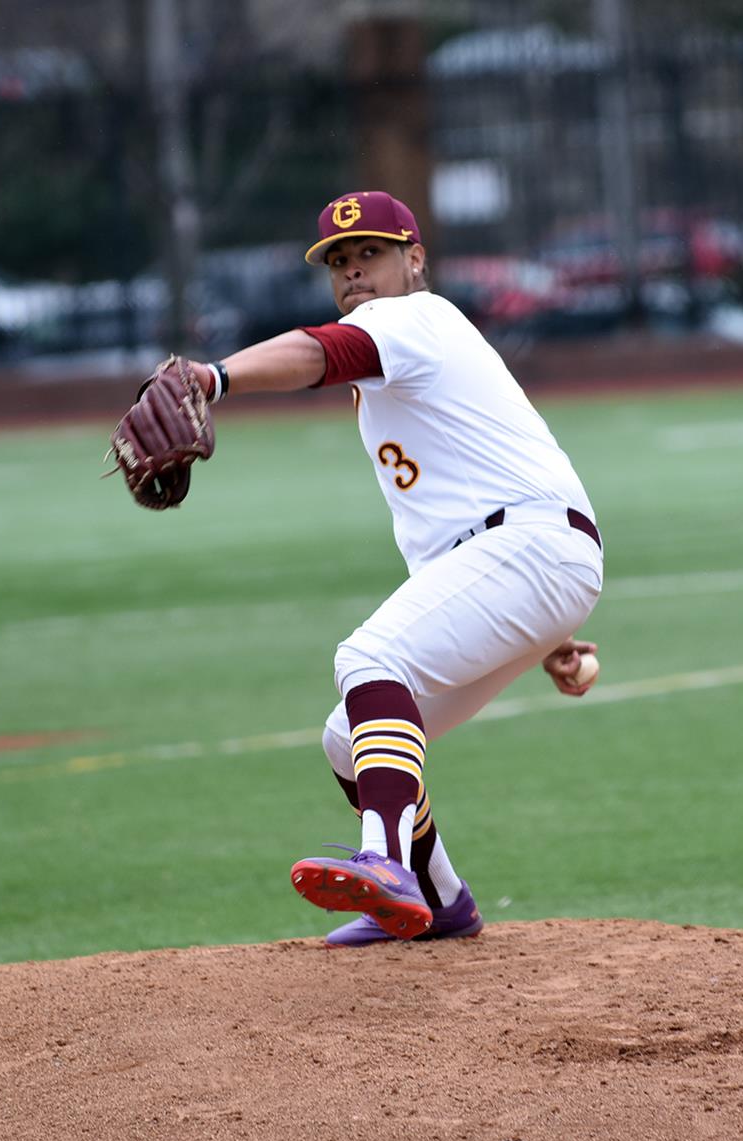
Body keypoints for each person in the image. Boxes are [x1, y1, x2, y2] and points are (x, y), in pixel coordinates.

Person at [155, 190, 604, 946]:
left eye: (370, 252)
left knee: (369, 658)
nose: (353, 270)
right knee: (346, 738)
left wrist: (213, 377)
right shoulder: (403, 362)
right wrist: (546, 636)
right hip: (525, 559)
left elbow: (322, 353)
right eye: (339, 261)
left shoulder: (412, 319)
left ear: (415, 259)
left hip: (531, 546)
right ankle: (440, 901)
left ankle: (385, 860)